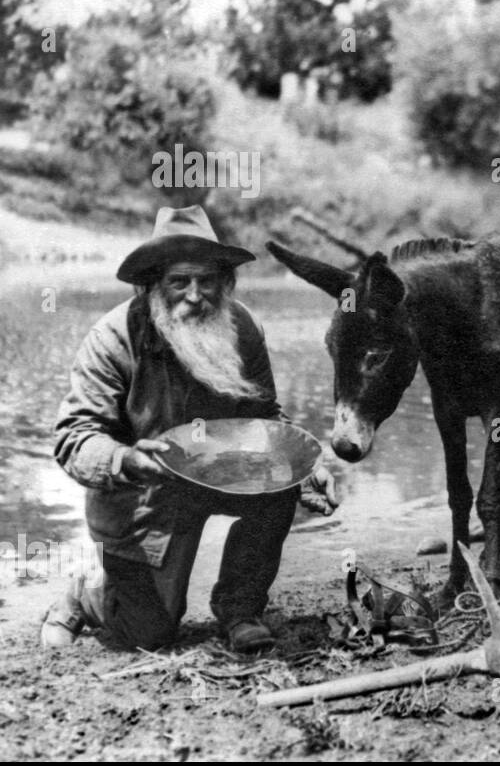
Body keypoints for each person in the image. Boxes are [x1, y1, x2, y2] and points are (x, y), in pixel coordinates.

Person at [42, 205, 338, 654]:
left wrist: (306, 465)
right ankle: (87, 592)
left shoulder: (243, 328)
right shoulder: (112, 339)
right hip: (145, 498)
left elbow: (266, 418)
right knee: (148, 636)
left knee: (281, 482)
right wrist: (126, 460)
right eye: (179, 281)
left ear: (225, 281)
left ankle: (239, 608)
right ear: (152, 286)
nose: (195, 295)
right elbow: (74, 438)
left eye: (207, 281)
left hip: (218, 473)